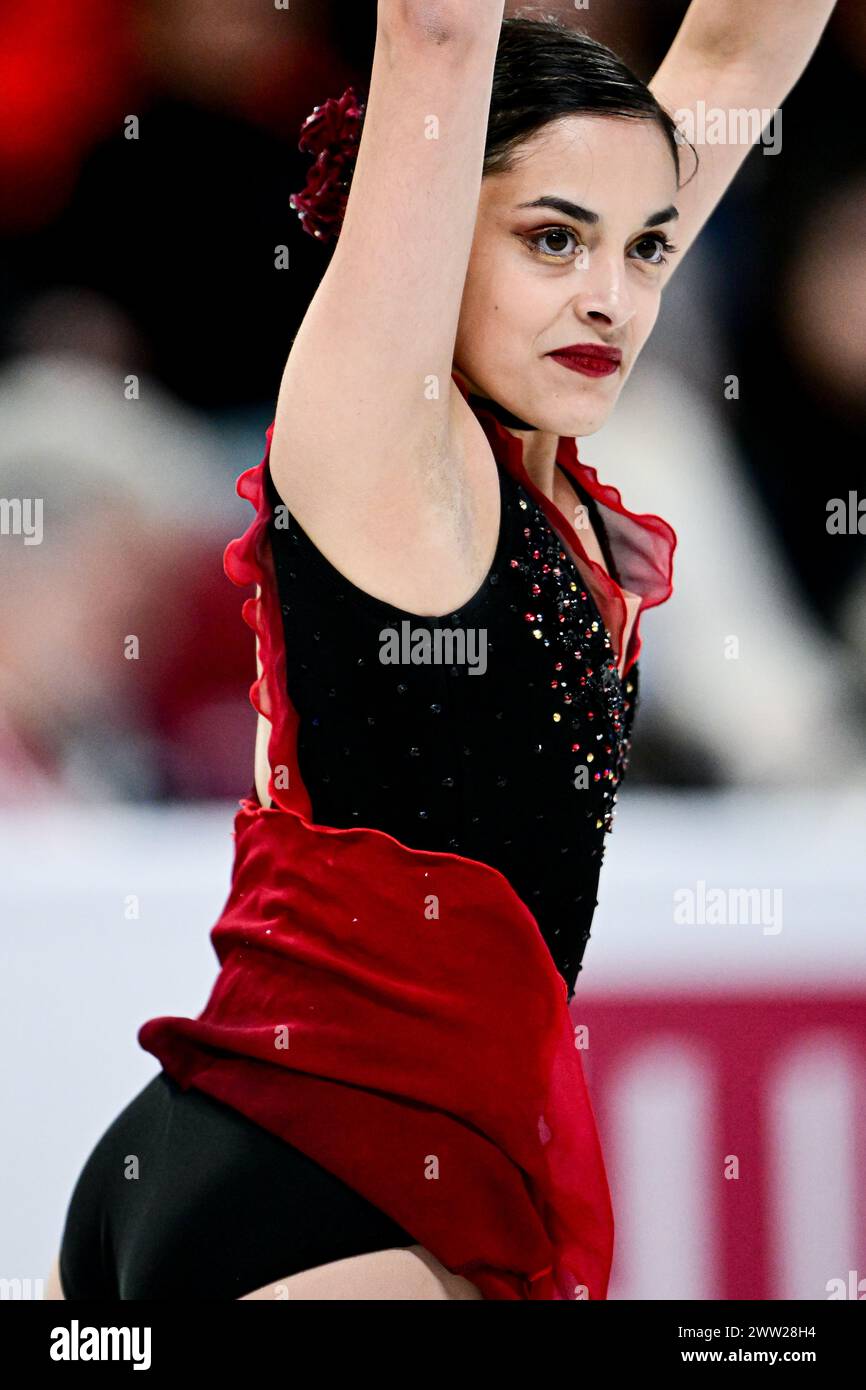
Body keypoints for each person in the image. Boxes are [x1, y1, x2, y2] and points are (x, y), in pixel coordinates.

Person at [47, 0, 838, 1302]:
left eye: (645, 247)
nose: (613, 293)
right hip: (327, 1188)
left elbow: (738, 49)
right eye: (550, 239)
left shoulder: (544, 451)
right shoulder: (390, 445)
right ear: (423, 240)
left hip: (308, 1170)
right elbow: (434, 29)